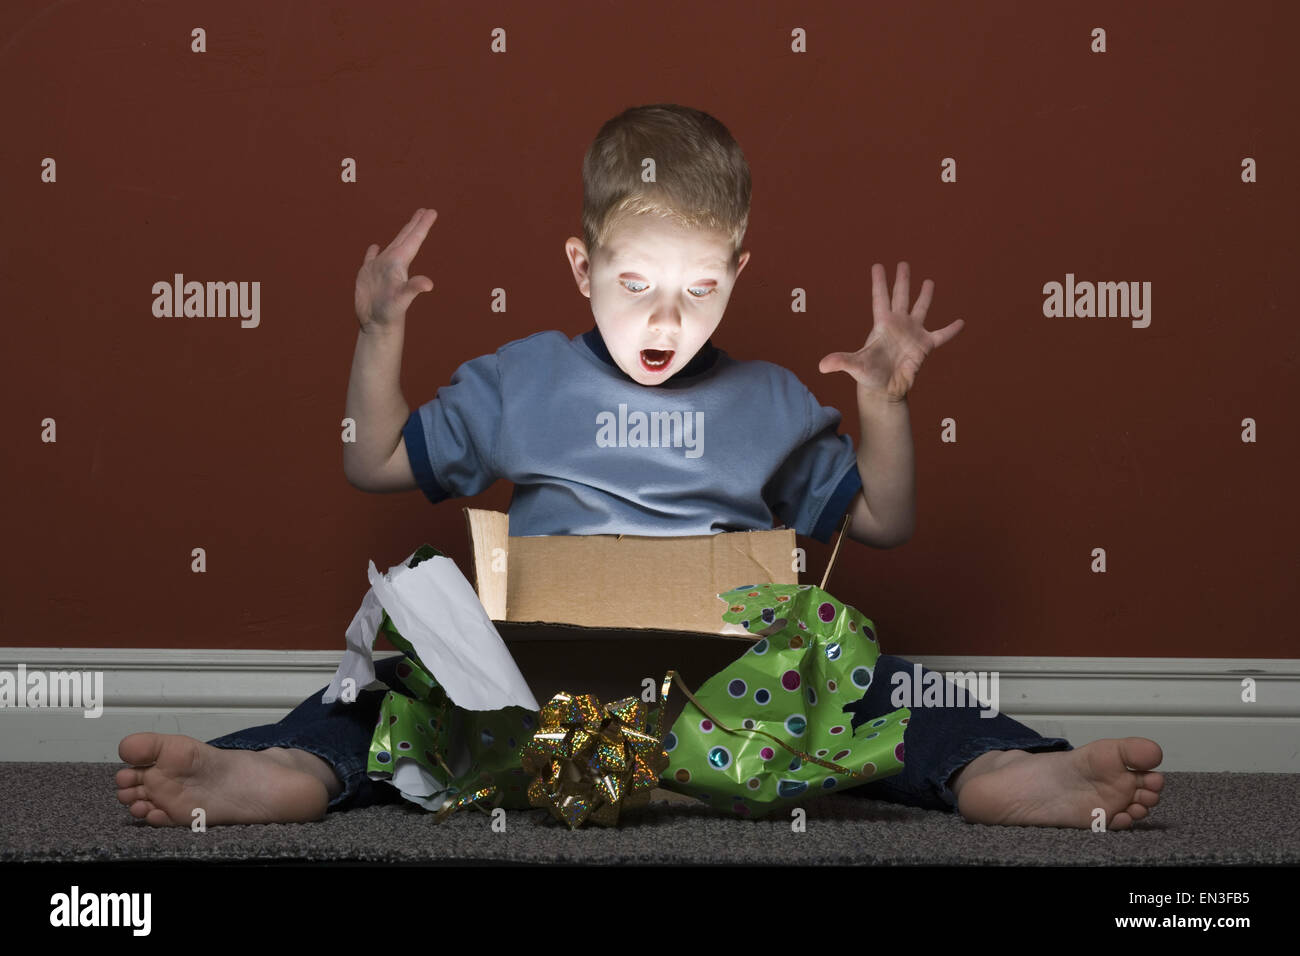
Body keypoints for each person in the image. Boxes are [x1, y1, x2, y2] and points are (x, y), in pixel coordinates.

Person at [116, 104, 1163, 829]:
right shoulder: (521, 380)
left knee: (890, 687)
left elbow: (880, 521)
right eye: (634, 282)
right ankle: (279, 768)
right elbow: (377, 460)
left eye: (701, 288)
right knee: (381, 688)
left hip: (722, 707)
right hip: (532, 700)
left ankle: (1005, 768)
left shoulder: (764, 401)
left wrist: (882, 406)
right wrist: (376, 332)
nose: (666, 318)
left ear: (738, 272)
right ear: (581, 266)